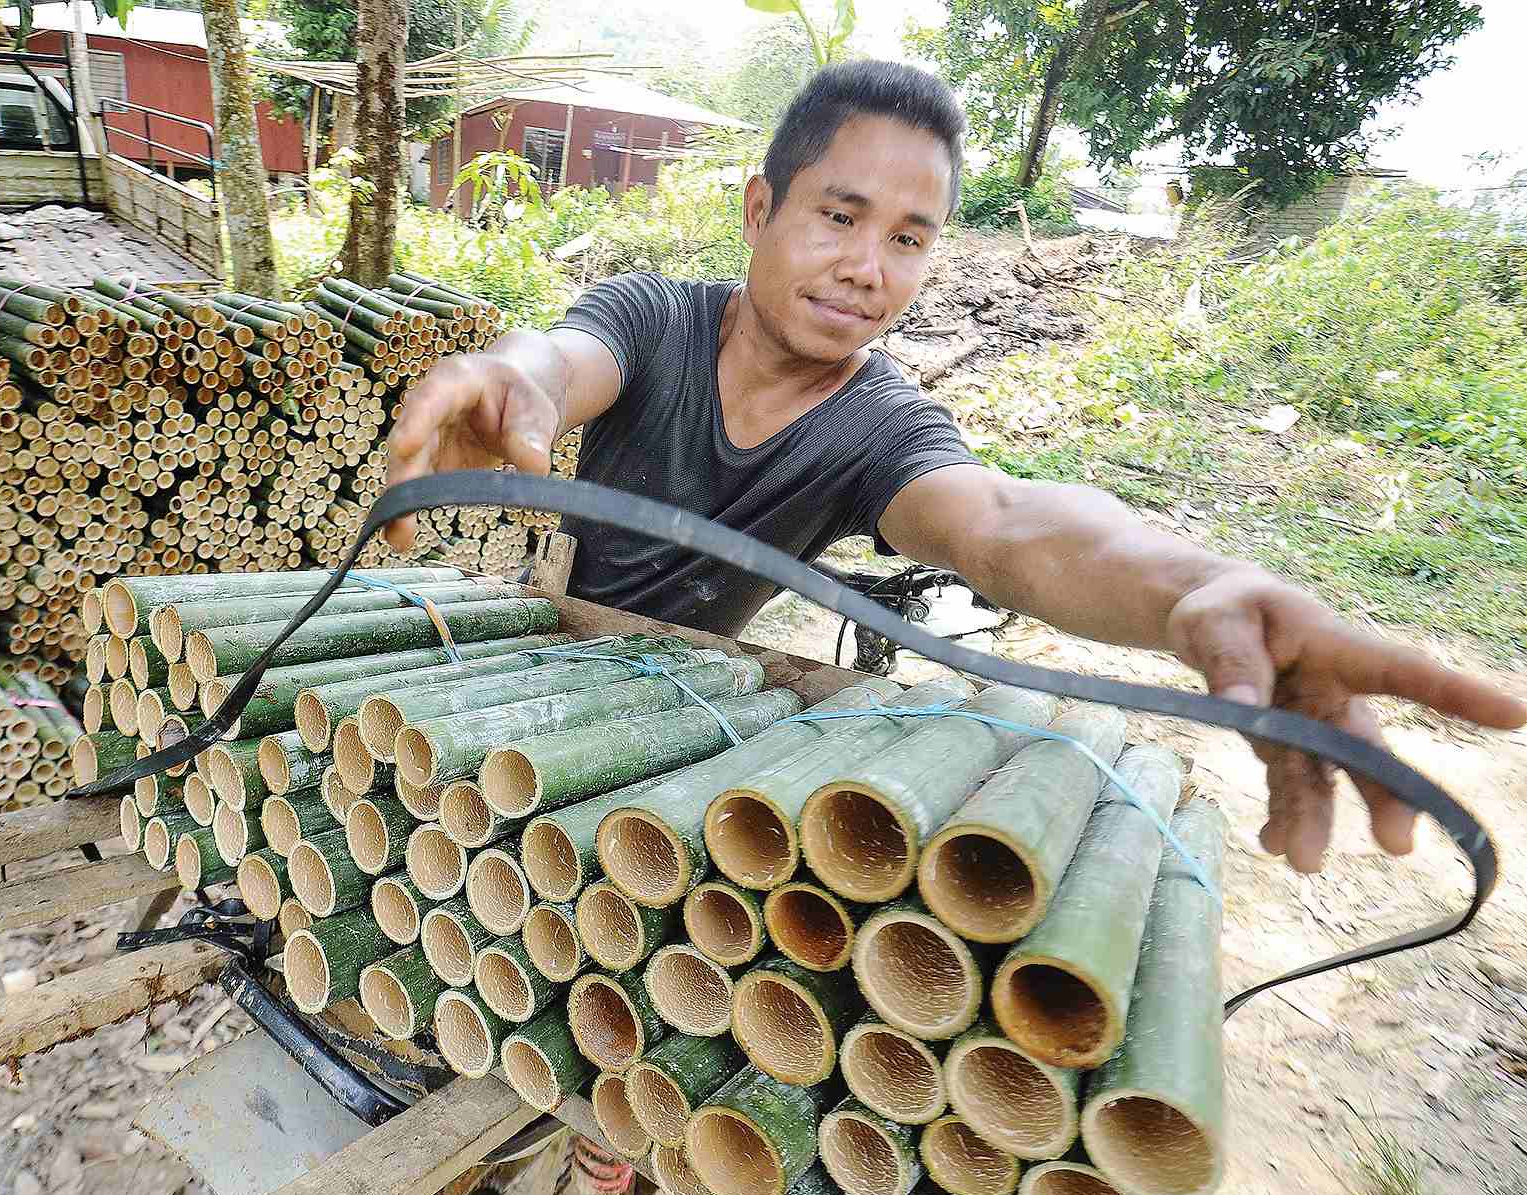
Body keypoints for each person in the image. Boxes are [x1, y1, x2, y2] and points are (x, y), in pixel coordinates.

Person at [383, 59, 1524, 874]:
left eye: (909, 238)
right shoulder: (651, 317)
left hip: (669, 712)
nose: (866, 268)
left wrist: (1192, 590)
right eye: (839, 214)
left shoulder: (881, 424)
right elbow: (562, 358)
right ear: (759, 207)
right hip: (509, 654)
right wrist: (518, 375)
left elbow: (1003, 524)